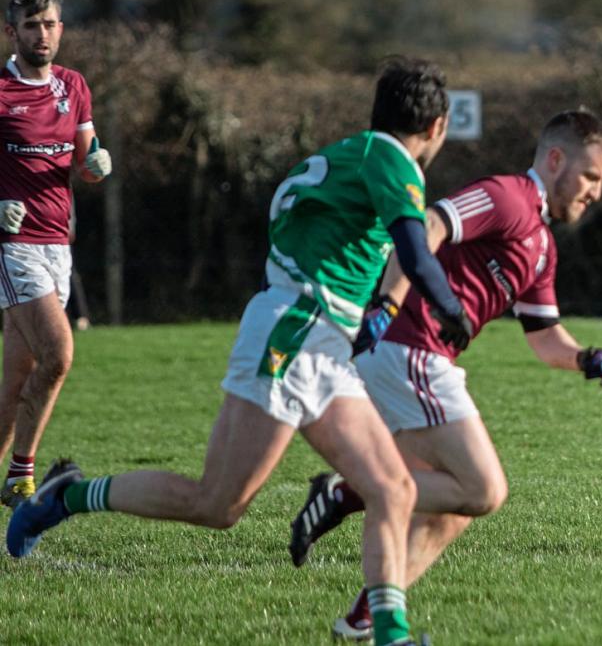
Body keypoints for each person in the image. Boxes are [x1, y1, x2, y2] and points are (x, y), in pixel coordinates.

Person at [6, 57, 469, 646]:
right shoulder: (389, 159)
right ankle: (66, 497)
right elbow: (414, 245)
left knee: (394, 488)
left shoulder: (356, 154)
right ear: (437, 126)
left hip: (320, 343)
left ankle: (387, 634)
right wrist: (448, 309)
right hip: (295, 335)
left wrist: (373, 307)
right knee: (216, 505)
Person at [285, 109, 602, 640]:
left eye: (601, 183)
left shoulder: (542, 246)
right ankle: (347, 493)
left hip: (418, 359)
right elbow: (427, 226)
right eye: (590, 177)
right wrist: (390, 305)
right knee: (484, 489)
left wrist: (581, 357)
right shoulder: (508, 196)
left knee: (455, 508)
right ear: (555, 159)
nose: (595, 193)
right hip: (408, 350)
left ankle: (363, 620)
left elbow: (543, 338)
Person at [0, 0, 112, 507]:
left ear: (60, 29)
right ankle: (22, 475)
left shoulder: (74, 85)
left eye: (49, 25)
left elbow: (83, 165)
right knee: (59, 354)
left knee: (19, 373)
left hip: (56, 243)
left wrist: (94, 166)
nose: (41, 35)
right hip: (12, 244)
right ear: (11, 32)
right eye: (30, 25)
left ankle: (8, 473)